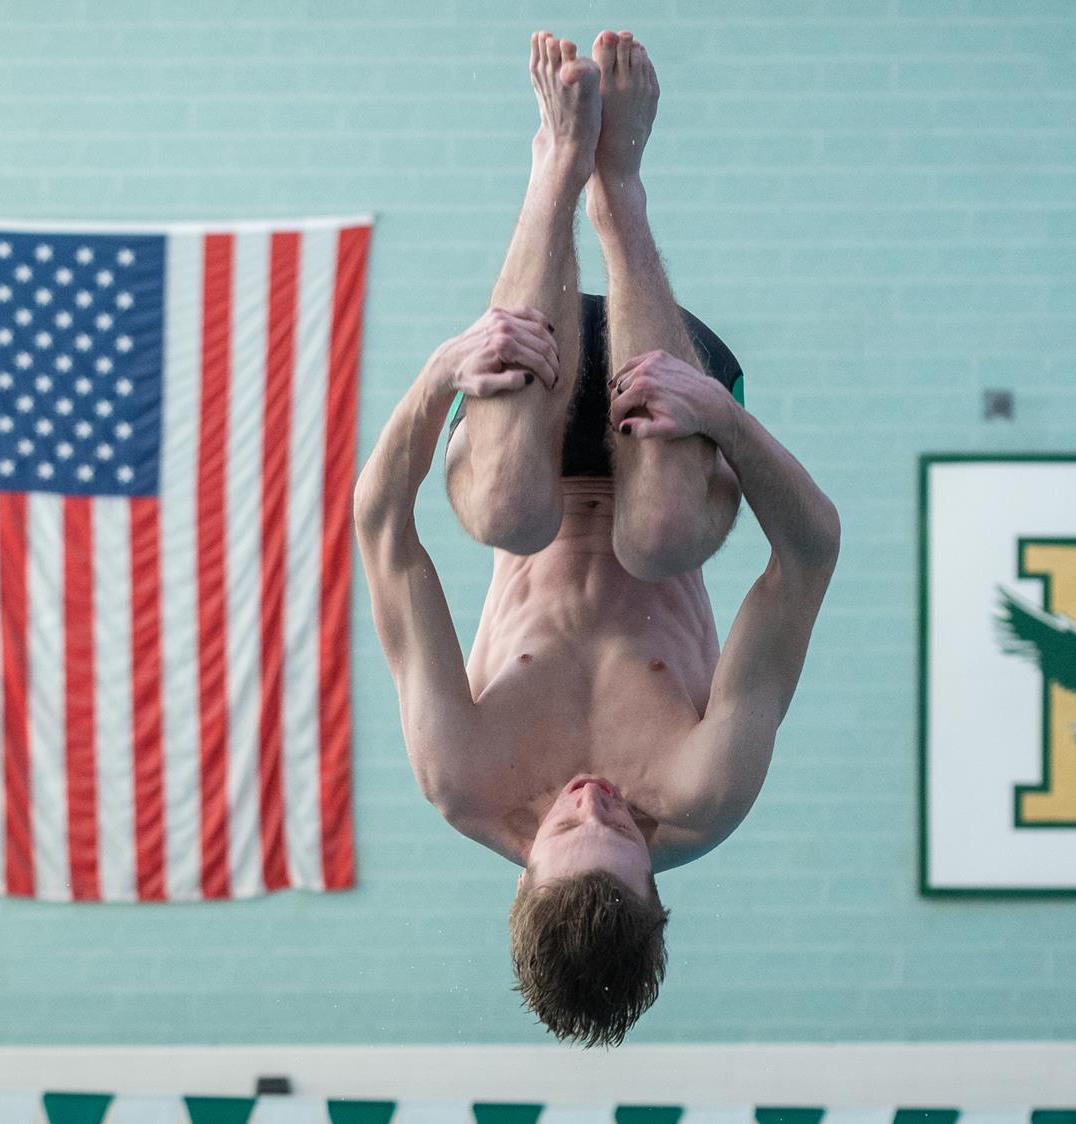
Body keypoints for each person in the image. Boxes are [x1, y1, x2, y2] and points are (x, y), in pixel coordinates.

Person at [353, 29, 839, 1047]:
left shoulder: (464, 773)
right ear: (656, 886)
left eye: (570, 824)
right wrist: (725, 418)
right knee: (657, 539)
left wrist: (440, 374)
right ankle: (618, 193)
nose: (594, 798)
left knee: (509, 517)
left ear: (522, 870)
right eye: (621, 827)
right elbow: (807, 555)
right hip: (670, 406)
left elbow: (384, 531)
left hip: (518, 420)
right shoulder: (706, 785)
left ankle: (554, 166)